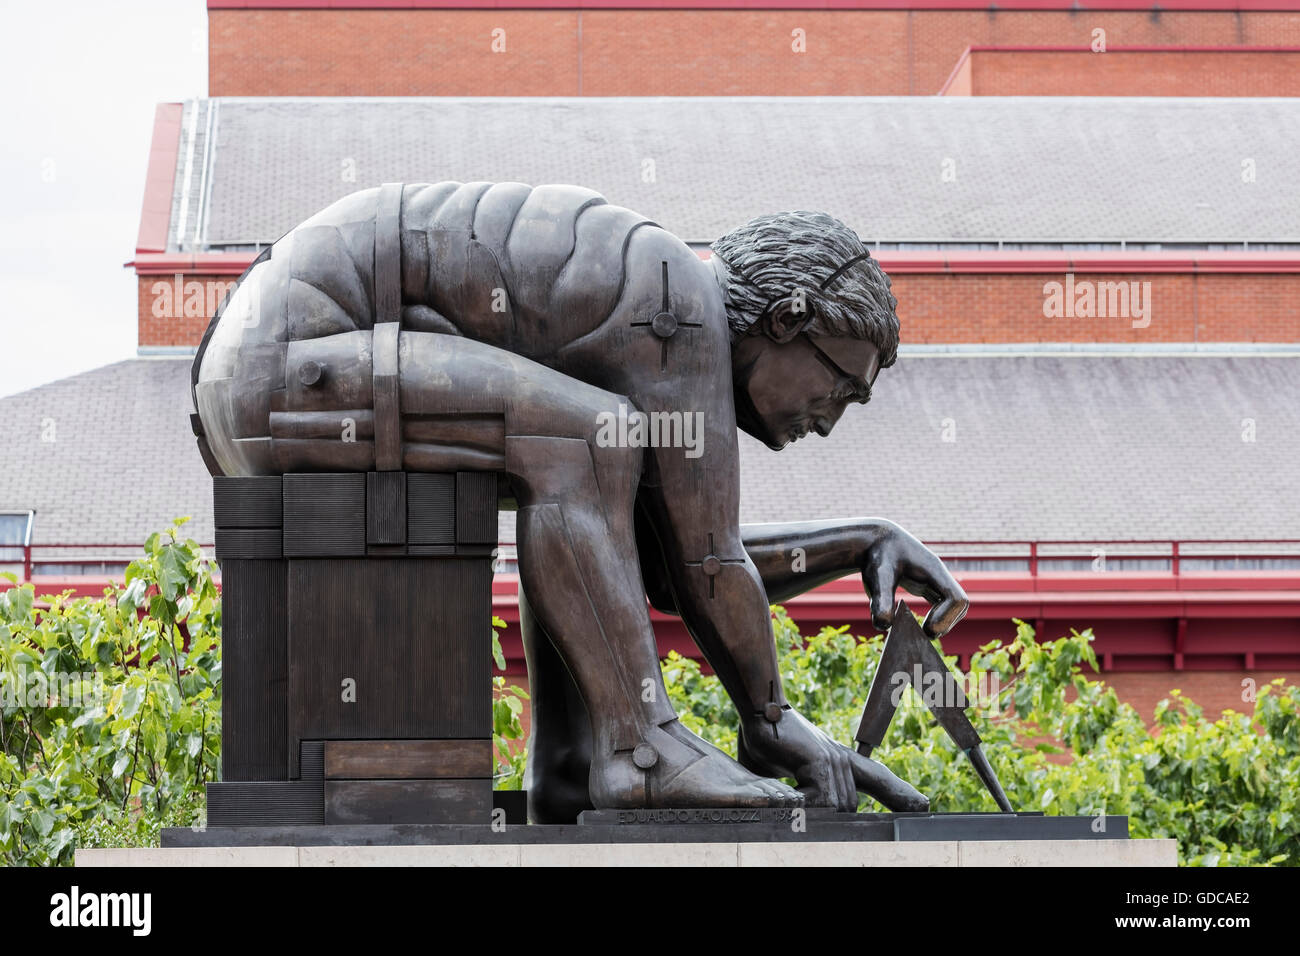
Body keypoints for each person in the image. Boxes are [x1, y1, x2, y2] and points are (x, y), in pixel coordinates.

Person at [193, 181, 969, 823]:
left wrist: (863, 541)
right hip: (289, 364)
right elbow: (706, 564)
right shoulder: (680, 301)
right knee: (586, 438)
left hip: (271, 374)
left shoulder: (657, 305)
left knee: (582, 458)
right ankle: (640, 751)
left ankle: (568, 769)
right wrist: (771, 724)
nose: (828, 421)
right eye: (839, 387)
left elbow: (667, 567)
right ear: (788, 318)